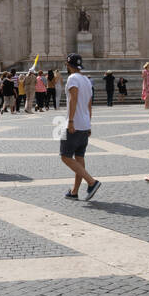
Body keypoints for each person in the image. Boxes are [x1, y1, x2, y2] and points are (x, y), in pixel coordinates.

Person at [60, 54, 100, 201]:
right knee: (79, 157)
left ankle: (92, 182)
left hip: (74, 124)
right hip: (84, 124)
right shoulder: (87, 80)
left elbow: (74, 99)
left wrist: (70, 121)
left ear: (68, 65)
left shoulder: (72, 79)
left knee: (65, 156)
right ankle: (74, 191)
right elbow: (89, 105)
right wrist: (89, 123)